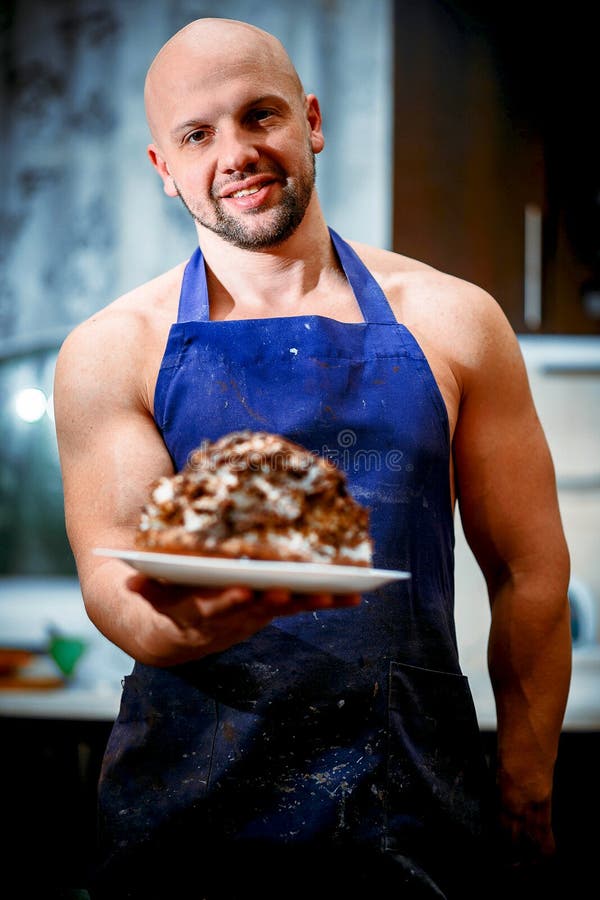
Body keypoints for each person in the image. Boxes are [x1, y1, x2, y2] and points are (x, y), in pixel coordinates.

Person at [53, 16, 571, 900]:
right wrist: (182, 627)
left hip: (413, 802)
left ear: (311, 121)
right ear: (162, 169)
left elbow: (527, 572)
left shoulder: (453, 322)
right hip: (185, 810)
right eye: (197, 134)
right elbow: (113, 578)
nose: (237, 151)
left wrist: (527, 779)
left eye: (261, 116)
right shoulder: (112, 351)